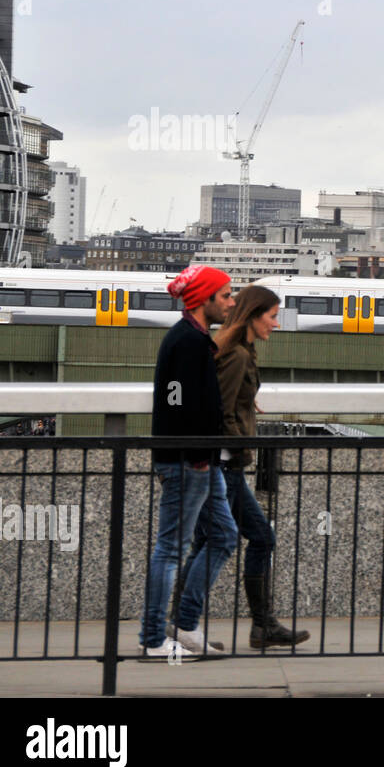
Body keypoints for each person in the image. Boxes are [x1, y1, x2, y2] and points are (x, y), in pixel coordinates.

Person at [179, 284, 309, 649]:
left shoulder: (240, 351)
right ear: (253, 317)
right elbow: (217, 410)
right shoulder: (236, 355)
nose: (276, 324)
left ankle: (182, 623)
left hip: (222, 464)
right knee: (247, 538)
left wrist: (246, 403)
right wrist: (238, 436)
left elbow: (225, 398)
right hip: (224, 464)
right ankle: (195, 623)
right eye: (271, 316)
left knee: (215, 539)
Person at [139, 265, 239, 659]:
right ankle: (152, 639)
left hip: (200, 459)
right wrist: (195, 453)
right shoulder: (187, 343)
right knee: (170, 549)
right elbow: (176, 402)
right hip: (189, 461)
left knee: (223, 535)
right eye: (227, 295)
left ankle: (186, 624)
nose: (232, 304)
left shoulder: (193, 339)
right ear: (205, 299)